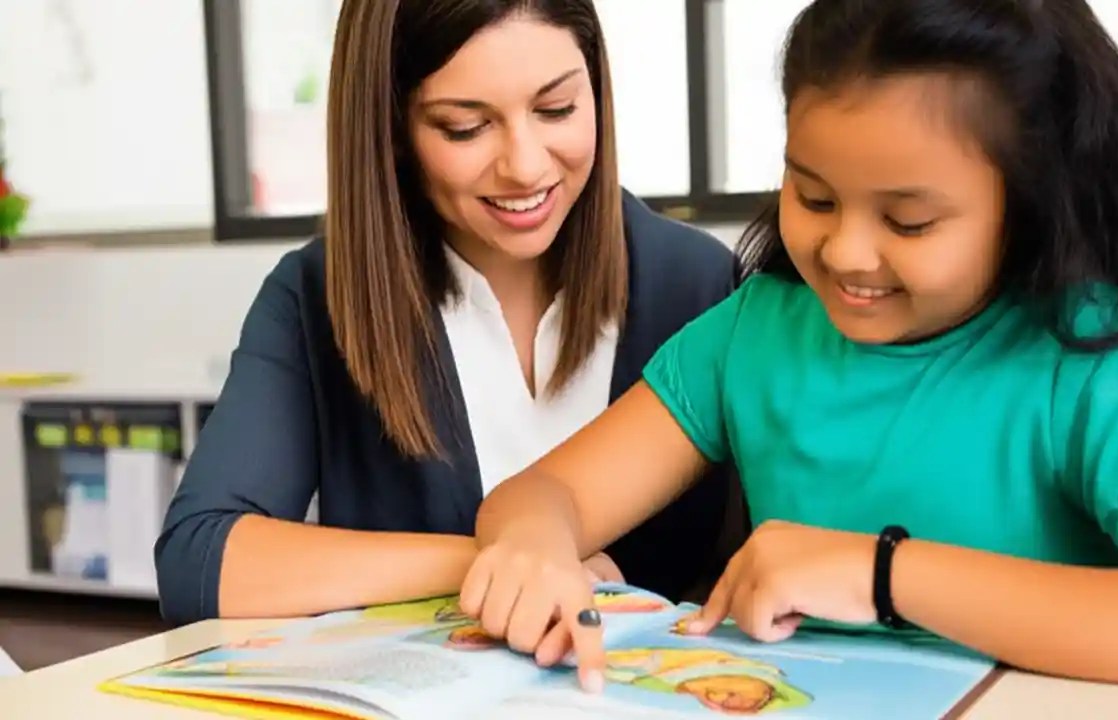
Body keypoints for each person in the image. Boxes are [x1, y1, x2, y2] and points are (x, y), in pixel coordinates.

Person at [458, 1, 1118, 717]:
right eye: (813, 197)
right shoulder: (762, 329)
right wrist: (534, 544)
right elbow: (551, 493)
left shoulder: (1105, 365)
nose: (846, 253)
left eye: (910, 221)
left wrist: (883, 576)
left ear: (1026, 205)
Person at [153, 0, 737, 625]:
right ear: (393, 128)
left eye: (556, 109)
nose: (525, 165)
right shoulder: (318, 299)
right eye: (465, 127)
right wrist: (513, 562)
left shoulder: (701, 286)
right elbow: (200, 562)